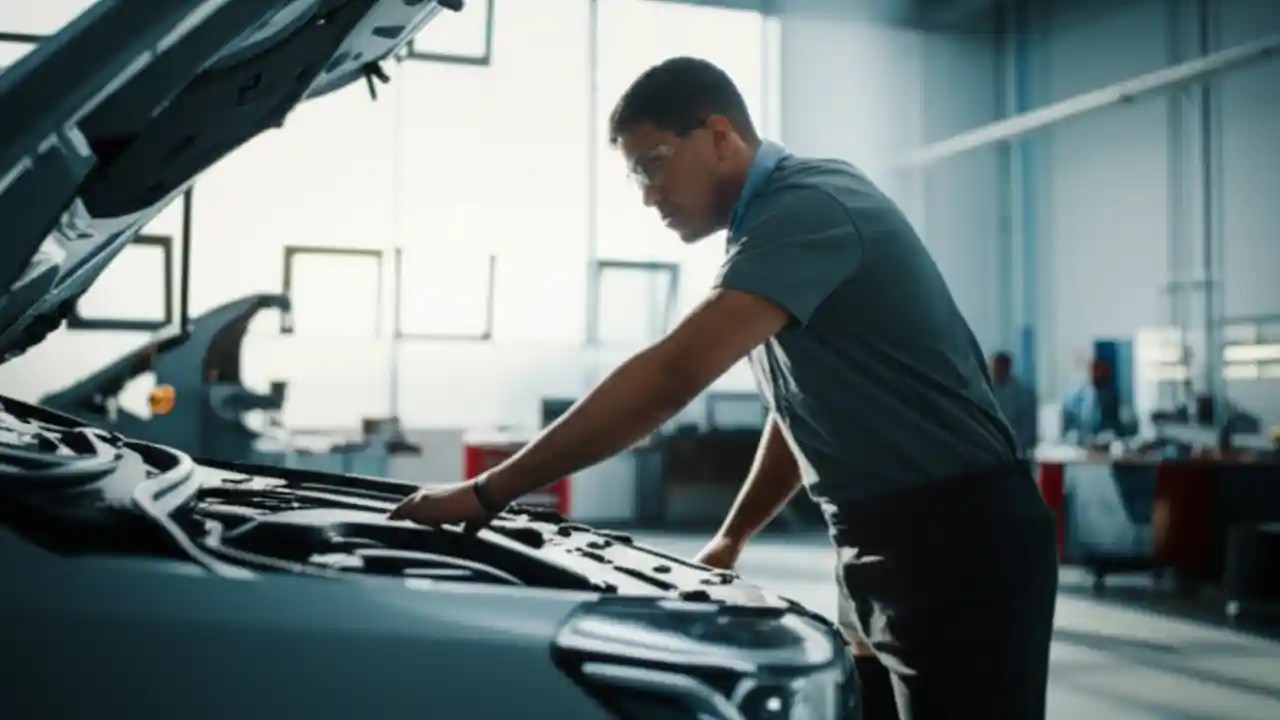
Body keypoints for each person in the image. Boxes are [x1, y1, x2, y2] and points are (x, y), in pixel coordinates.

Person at [390, 57, 1058, 720]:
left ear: (718, 136)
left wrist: (487, 493)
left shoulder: (810, 207)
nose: (648, 195)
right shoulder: (771, 234)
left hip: (957, 544)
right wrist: (734, 536)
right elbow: (802, 413)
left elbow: (673, 375)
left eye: (651, 164)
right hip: (871, 539)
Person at [989, 351, 1038, 455]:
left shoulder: (1023, 394)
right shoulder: (987, 392)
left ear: (1006, 367)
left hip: (1016, 451)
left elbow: (1029, 428)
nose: (993, 371)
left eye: (996, 367)